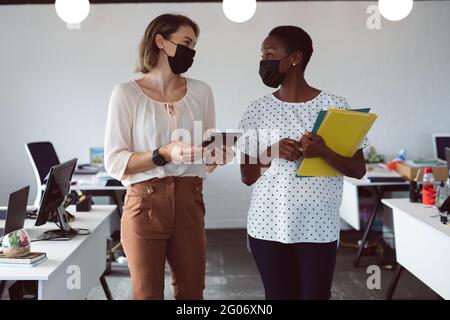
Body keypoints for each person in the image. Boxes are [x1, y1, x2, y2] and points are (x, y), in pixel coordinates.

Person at [104, 14, 233, 300]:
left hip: (190, 201)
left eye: (194, 45)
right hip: (145, 203)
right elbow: (115, 163)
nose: (192, 51)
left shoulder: (201, 92)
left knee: (192, 293)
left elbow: (204, 158)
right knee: (147, 294)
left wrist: (217, 156)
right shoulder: (126, 94)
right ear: (160, 41)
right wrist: (163, 154)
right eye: (186, 42)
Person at [237, 25, 369, 300]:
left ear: (295, 58)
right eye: (262, 55)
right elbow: (247, 176)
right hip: (268, 225)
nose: (264, 62)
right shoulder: (256, 110)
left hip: (318, 226)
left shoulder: (336, 106)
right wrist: (270, 152)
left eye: (270, 53)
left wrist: (324, 152)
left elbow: (357, 169)